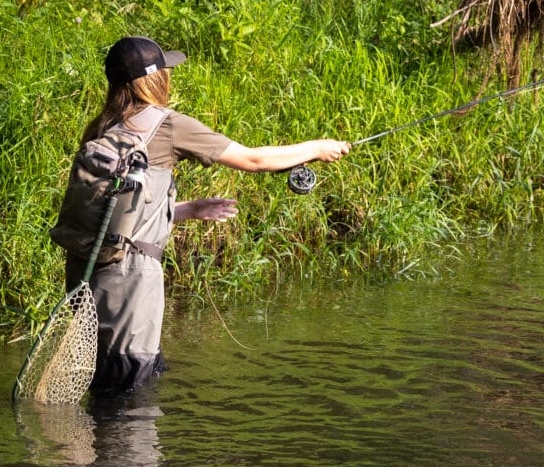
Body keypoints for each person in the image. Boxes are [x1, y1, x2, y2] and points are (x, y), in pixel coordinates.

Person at [60, 35, 350, 395]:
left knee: (111, 382)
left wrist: (189, 210)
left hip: (86, 275)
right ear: (155, 79)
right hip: (131, 282)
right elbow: (254, 160)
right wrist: (318, 148)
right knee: (130, 403)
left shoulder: (104, 128)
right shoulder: (167, 125)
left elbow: (118, 214)